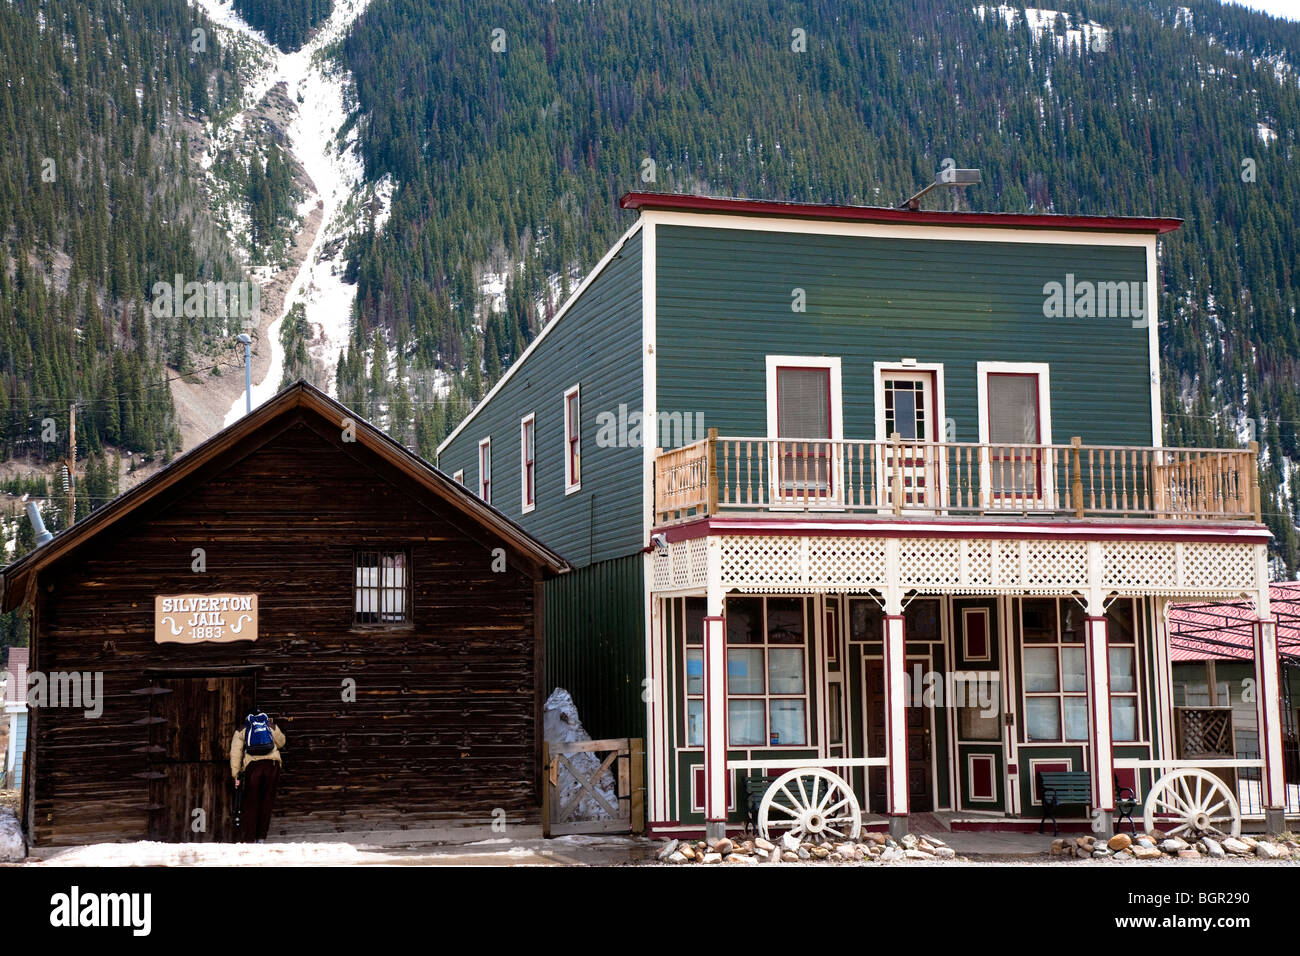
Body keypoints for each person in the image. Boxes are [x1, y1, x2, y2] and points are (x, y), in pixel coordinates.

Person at [230, 711, 286, 843]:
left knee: (251, 803)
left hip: (253, 767)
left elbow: (235, 753)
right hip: (272, 766)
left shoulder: (242, 729)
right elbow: (282, 742)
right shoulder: (269, 725)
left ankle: (250, 839)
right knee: (267, 802)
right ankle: (261, 838)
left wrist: (236, 774)